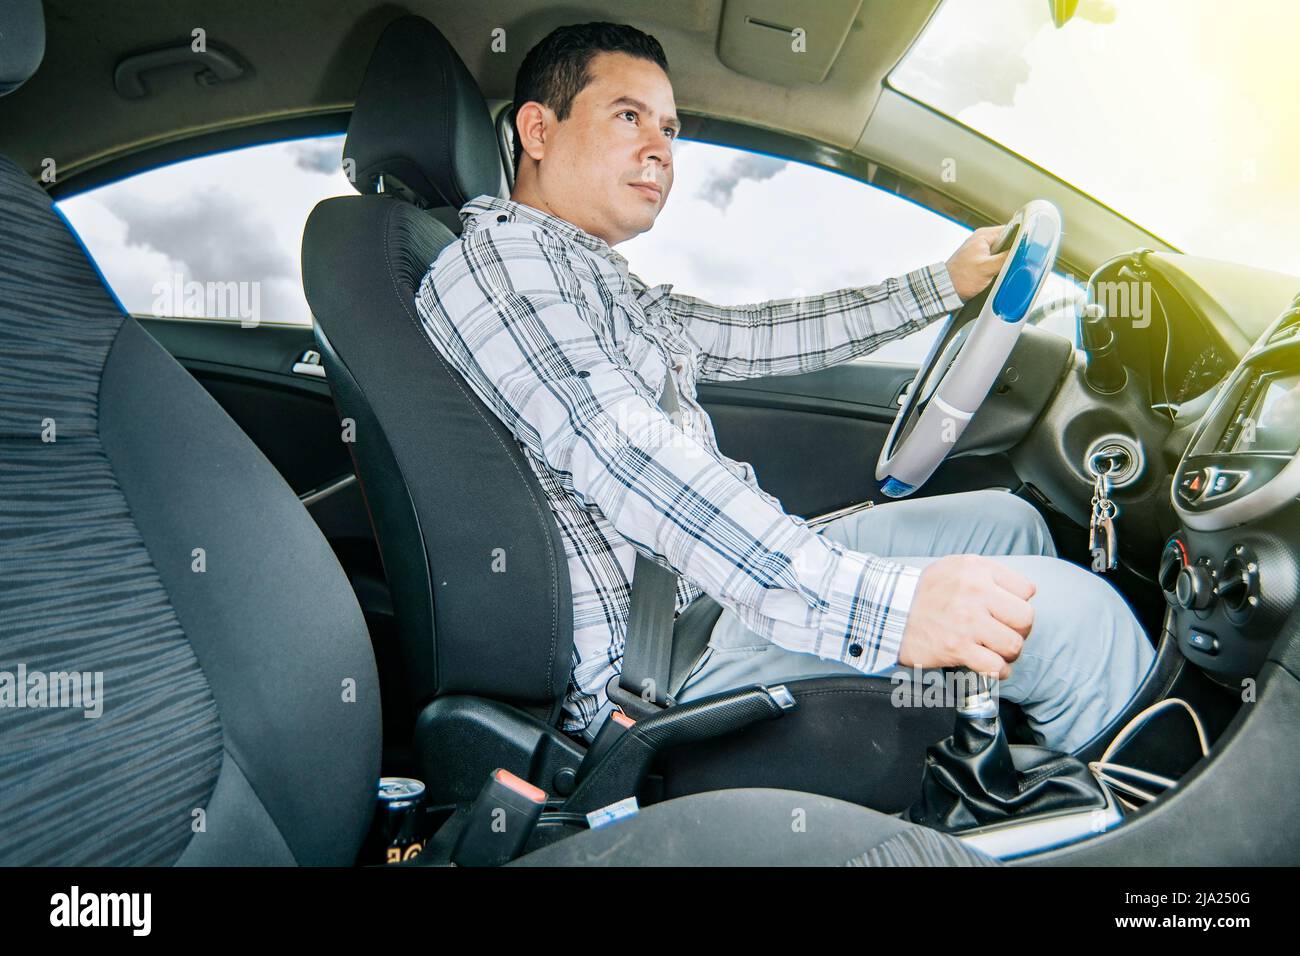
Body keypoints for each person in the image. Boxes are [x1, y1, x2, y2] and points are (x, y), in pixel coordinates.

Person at [414, 21, 1154, 754]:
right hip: (666, 662)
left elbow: (760, 335)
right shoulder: (502, 266)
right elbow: (629, 458)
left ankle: (1017, 779)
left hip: (701, 594)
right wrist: (888, 610)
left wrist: (942, 285)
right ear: (538, 130)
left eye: (670, 130)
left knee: (1006, 523)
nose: (660, 151)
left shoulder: (595, 279)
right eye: (629, 116)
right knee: (1081, 620)